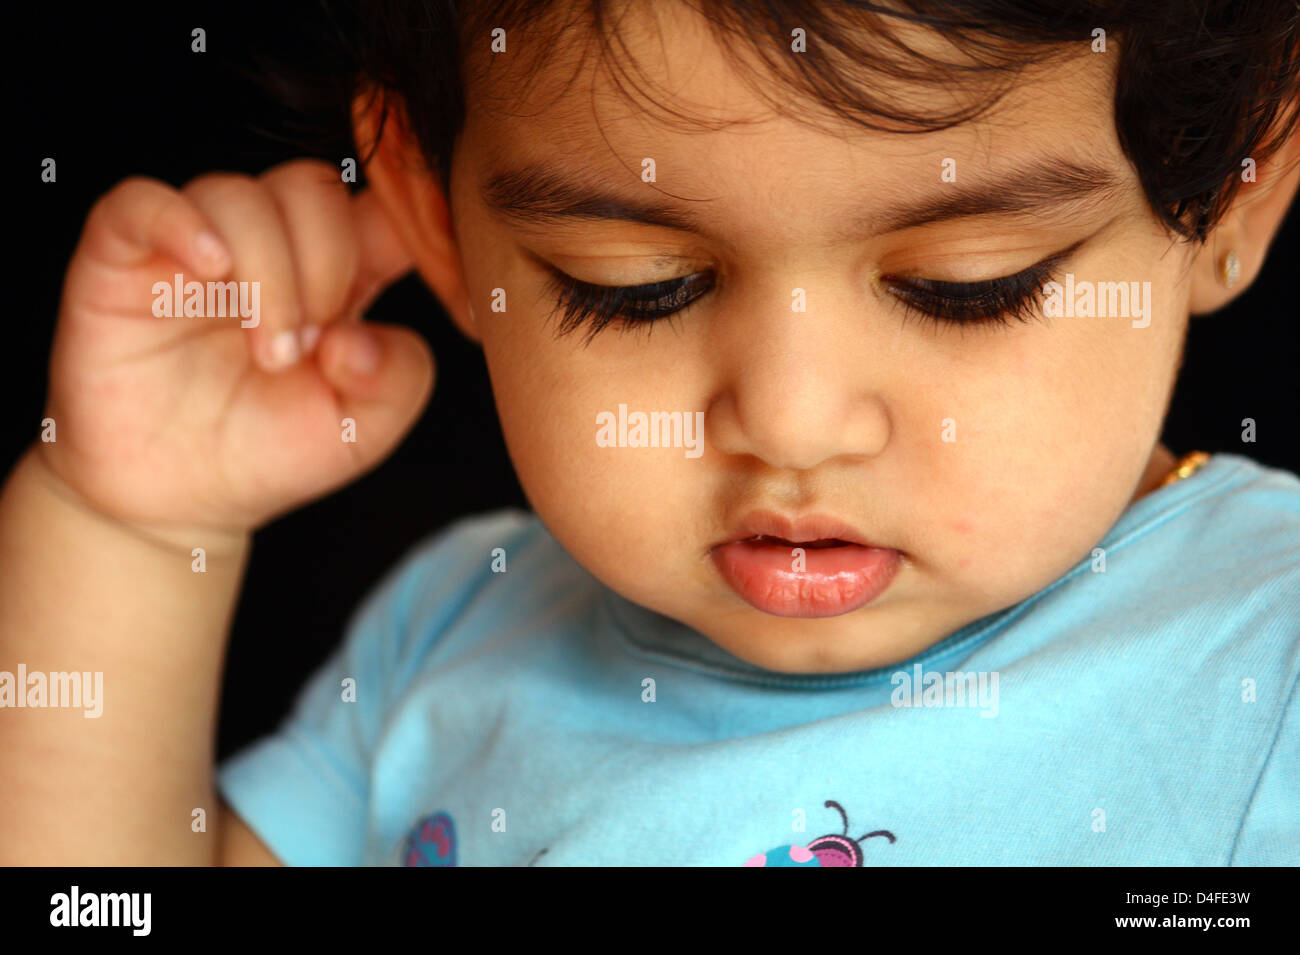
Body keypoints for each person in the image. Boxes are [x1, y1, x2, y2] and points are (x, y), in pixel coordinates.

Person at [2, 0, 1297, 866]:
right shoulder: (451, 636)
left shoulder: (1269, 662)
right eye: (635, 287)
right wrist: (128, 528)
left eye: (967, 286)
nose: (792, 422)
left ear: (1239, 182)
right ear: (438, 222)